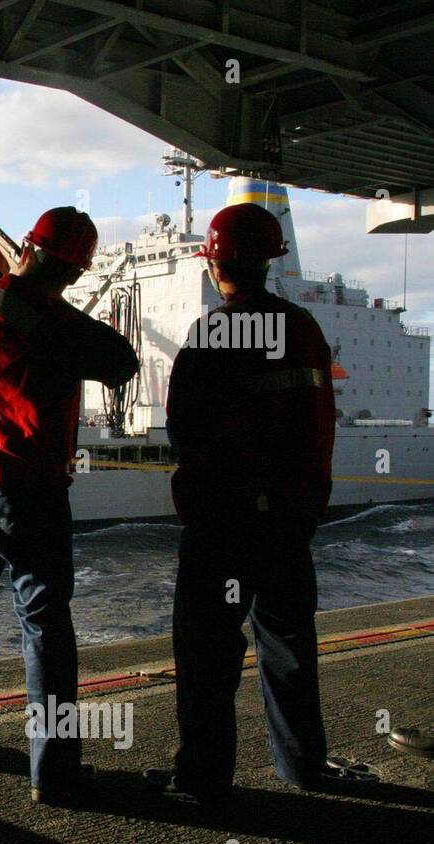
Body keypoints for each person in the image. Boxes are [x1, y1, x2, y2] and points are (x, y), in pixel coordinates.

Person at [0, 208, 139, 805]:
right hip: (33, 494)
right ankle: (53, 773)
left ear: (25, 247)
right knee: (45, 626)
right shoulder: (53, 324)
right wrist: (46, 295)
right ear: (74, 273)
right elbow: (120, 362)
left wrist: (10, 275)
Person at [144, 201, 347, 806]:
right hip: (288, 520)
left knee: (207, 653)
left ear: (214, 265)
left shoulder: (209, 339)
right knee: (288, 643)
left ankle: (203, 779)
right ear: (269, 263)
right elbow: (320, 423)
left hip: (222, 524)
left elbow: (187, 433)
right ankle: (305, 766)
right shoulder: (304, 329)